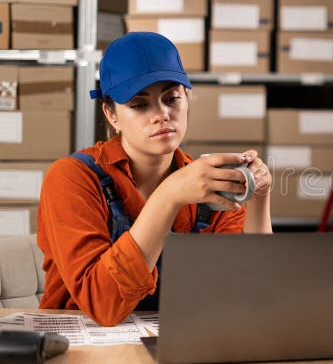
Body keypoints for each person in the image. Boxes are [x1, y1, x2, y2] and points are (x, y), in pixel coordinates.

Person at [37, 32, 273, 326]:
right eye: (139, 104)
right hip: (82, 350)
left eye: (172, 98)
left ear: (187, 98)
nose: (162, 114)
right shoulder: (72, 178)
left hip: (176, 342)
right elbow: (103, 305)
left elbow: (253, 290)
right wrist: (169, 196)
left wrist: (260, 197)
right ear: (111, 115)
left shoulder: (204, 180)